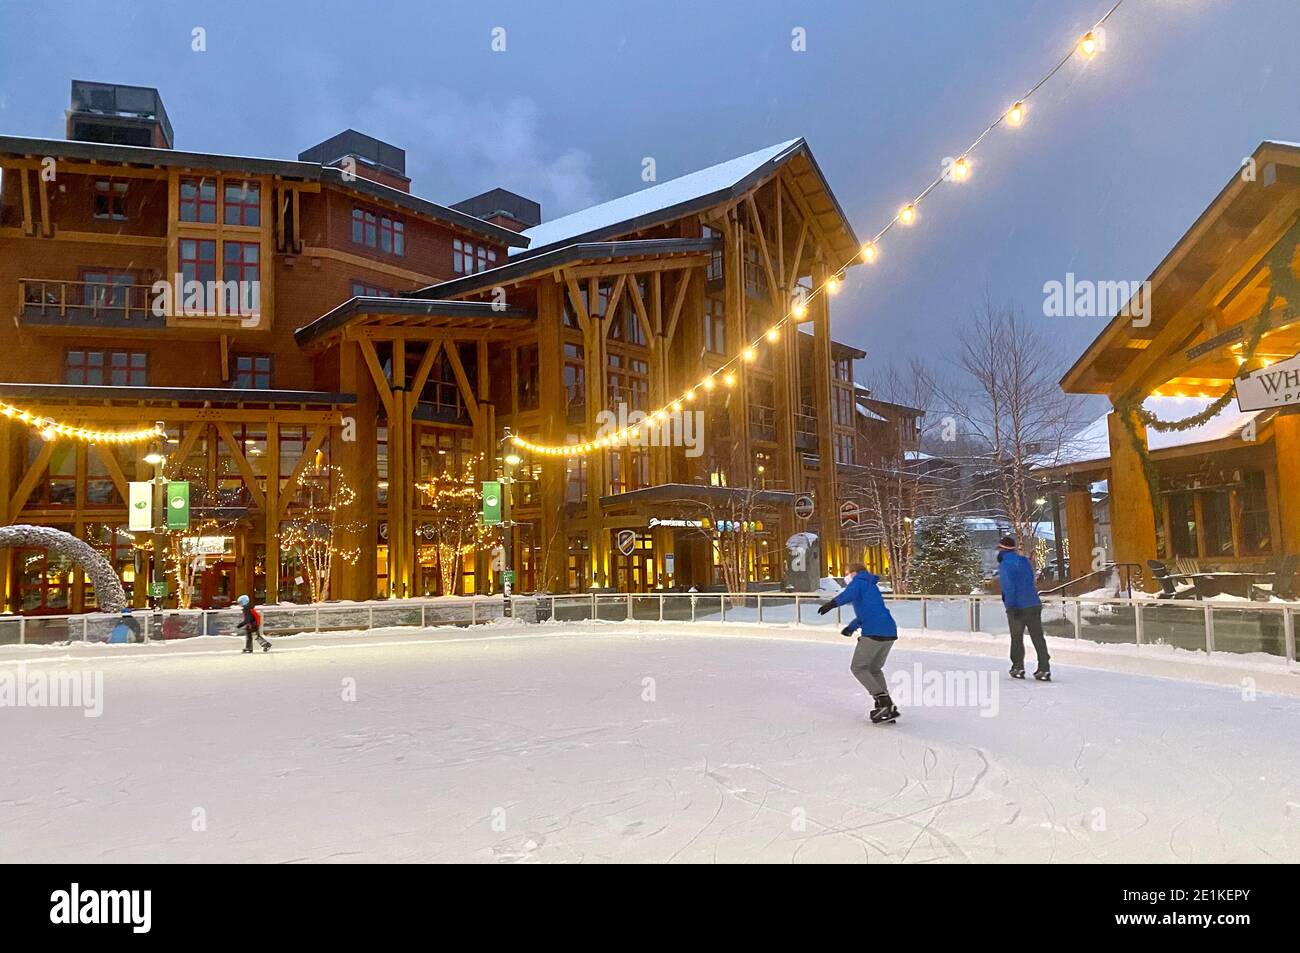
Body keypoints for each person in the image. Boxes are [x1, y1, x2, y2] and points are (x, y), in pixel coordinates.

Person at [818, 563, 900, 724]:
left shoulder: (859, 582)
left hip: (874, 632)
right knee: (874, 669)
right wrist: (851, 627)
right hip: (889, 631)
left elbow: (848, 594)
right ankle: (887, 705)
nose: (846, 576)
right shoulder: (870, 585)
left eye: (847, 573)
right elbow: (869, 611)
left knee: (858, 667)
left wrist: (831, 604)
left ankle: (883, 702)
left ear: (854, 572)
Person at [997, 535, 1049, 680]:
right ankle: (1044, 668)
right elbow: (1030, 581)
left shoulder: (1005, 564)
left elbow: (1009, 587)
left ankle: (1018, 667)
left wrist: (1011, 605)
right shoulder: (1024, 561)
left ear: (1002, 549)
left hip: (1018, 607)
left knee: (1017, 638)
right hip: (1033, 603)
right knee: (1038, 637)